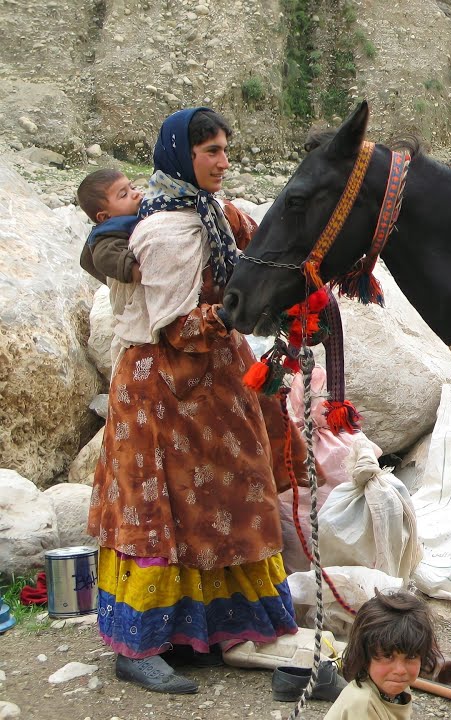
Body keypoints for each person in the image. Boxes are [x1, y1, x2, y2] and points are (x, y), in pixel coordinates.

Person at [88, 107, 302, 694]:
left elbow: (263, 253)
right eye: (210, 151)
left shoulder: (213, 214)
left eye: (226, 150)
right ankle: (139, 645)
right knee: (156, 512)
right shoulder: (163, 232)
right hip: (159, 387)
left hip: (213, 383)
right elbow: (176, 325)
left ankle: (204, 631)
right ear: (183, 155)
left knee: (227, 497)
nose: (222, 162)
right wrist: (241, 310)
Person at [324, 590, 440, 720]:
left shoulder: (398, 690)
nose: (400, 670)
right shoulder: (363, 703)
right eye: (388, 656)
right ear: (365, 656)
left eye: (411, 656)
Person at [76, 168, 143, 285]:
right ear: (105, 217)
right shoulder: (108, 233)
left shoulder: (138, 210)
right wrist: (137, 271)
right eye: (124, 195)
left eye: (132, 187)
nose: (135, 193)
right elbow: (102, 257)